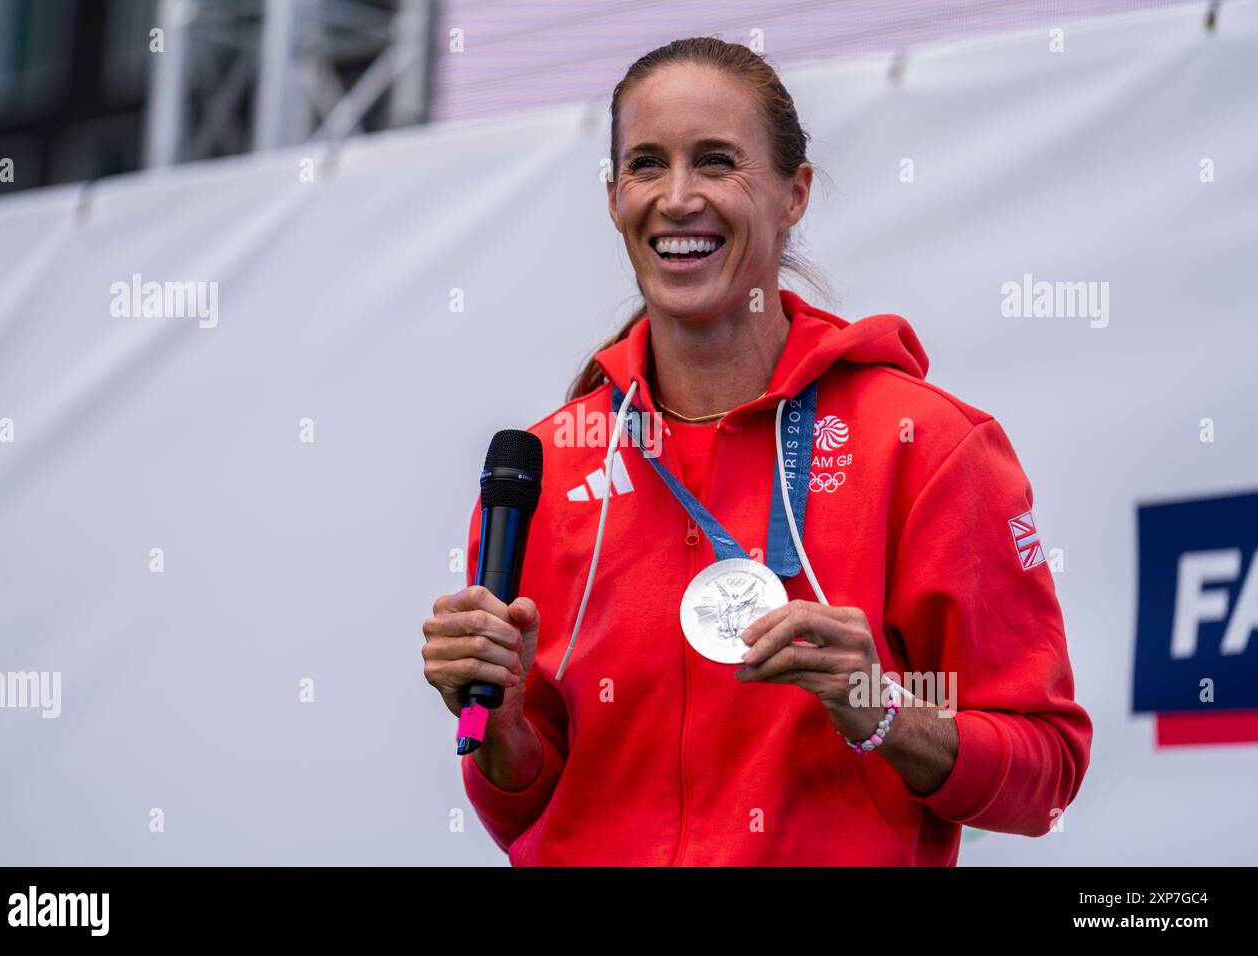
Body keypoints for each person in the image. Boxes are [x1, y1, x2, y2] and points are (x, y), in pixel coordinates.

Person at [422, 36, 1092, 866]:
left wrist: (884, 709)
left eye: (716, 162)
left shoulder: (924, 445)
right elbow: (529, 806)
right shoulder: (551, 463)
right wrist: (500, 725)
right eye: (645, 165)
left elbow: (1048, 775)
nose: (677, 198)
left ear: (794, 194)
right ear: (612, 196)